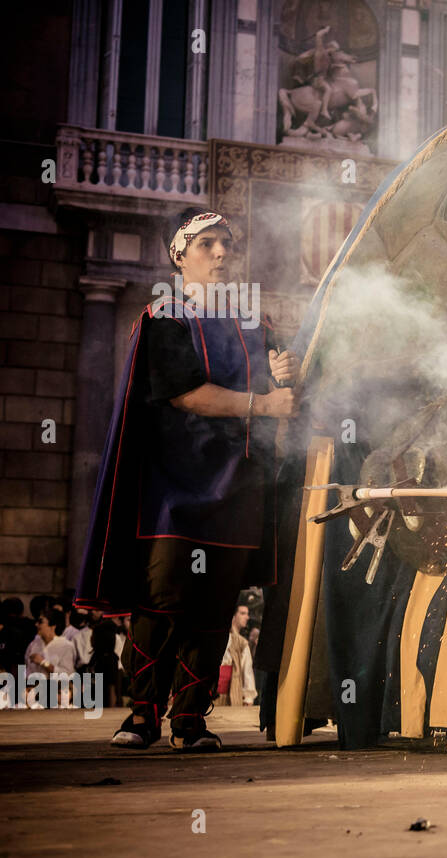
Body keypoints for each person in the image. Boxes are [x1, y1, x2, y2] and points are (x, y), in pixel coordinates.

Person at [74, 205, 299, 751]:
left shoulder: (254, 322)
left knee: (215, 606)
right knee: (163, 596)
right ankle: (143, 715)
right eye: (207, 243)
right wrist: (264, 403)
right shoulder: (164, 317)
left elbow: (280, 386)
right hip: (172, 487)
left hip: (236, 484)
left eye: (227, 242)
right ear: (178, 255)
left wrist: (284, 374)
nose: (222, 252)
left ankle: (191, 720)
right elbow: (185, 394)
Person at [29, 608, 78, 708]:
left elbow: (68, 673)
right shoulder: (34, 644)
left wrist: (43, 663)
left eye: (40, 622)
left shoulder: (65, 645)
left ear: (52, 626)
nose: (36, 625)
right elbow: (28, 667)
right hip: (35, 693)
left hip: (57, 695)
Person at [216, 605, 256, 707]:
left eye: (247, 614)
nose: (246, 617)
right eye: (242, 613)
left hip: (232, 696)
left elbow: (247, 670)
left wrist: (248, 697)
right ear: (233, 616)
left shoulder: (241, 643)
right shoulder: (214, 640)